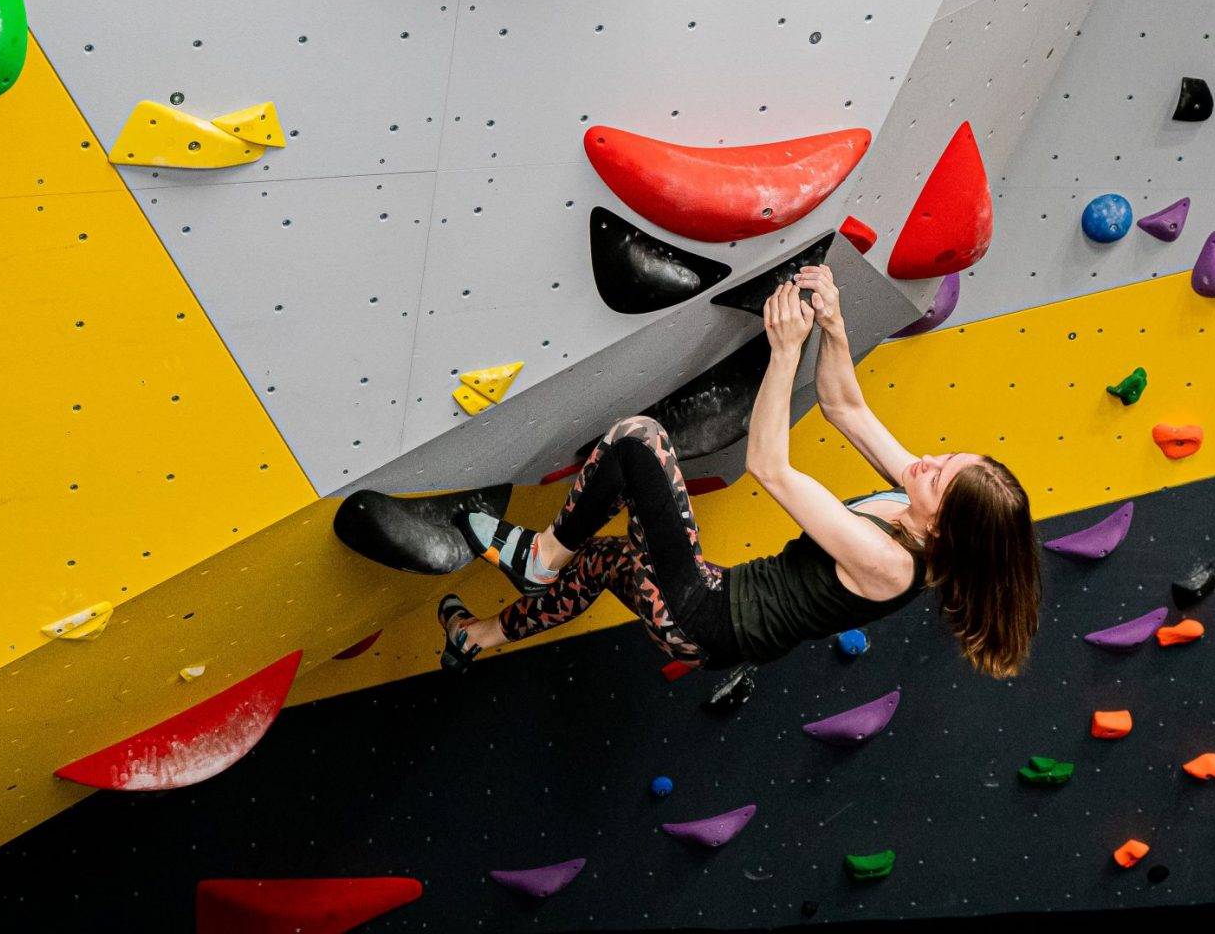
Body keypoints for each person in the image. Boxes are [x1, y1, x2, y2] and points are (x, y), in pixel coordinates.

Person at [441, 263, 1040, 679]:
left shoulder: (889, 562)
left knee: (639, 440)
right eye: (948, 456)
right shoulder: (917, 500)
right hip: (713, 599)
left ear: (944, 530)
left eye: (940, 477)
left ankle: (540, 559)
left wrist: (785, 354)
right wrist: (833, 326)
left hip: (704, 619)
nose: (928, 462)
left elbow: (769, 467)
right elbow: (846, 408)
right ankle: (475, 637)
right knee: (602, 560)